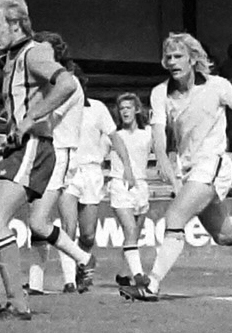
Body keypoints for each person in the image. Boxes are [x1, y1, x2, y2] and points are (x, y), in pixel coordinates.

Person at [0, 0, 95, 321]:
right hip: (18, 148)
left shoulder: (35, 53)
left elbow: (68, 84)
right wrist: (14, 129)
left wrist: (30, 120)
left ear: (15, 24)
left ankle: (18, 306)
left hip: (34, 148)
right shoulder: (16, 58)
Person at [120, 33, 232, 302]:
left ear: (192, 59)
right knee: (225, 235)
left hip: (214, 164)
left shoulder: (217, 86)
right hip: (189, 168)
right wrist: (162, 159)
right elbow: (159, 132)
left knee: (174, 218)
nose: (173, 61)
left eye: (178, 56)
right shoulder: (160, 93)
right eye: (169, 57)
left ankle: (151, 285)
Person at [51, 70, 129, 295]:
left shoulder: (97, 108)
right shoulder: (59, 110)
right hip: (68, 170)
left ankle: (81, 265)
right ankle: (69, 282)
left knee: (88, 234)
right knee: (69, 227)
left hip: (92, 174)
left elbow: (115, 138)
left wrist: (128, 167)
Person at [25, 37, 88, 297]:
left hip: (59, 153)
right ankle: (36, 283)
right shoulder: (52, 84)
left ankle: (80, 264)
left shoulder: (67, 84)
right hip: (44, 152)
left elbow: (47, 121)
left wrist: (22, 123)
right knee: (37, 222)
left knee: (43, 220)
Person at [107, 92, 154, 288]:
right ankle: (139, 275)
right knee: (130, 229)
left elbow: (165, 142)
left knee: (133, 235)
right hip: (120, 185)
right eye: (121, 108)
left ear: (136, 110)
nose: (125, 111)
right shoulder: (113, 135)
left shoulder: (148, 133)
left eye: (128, 107)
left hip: (141, 186)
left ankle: (123, 273)